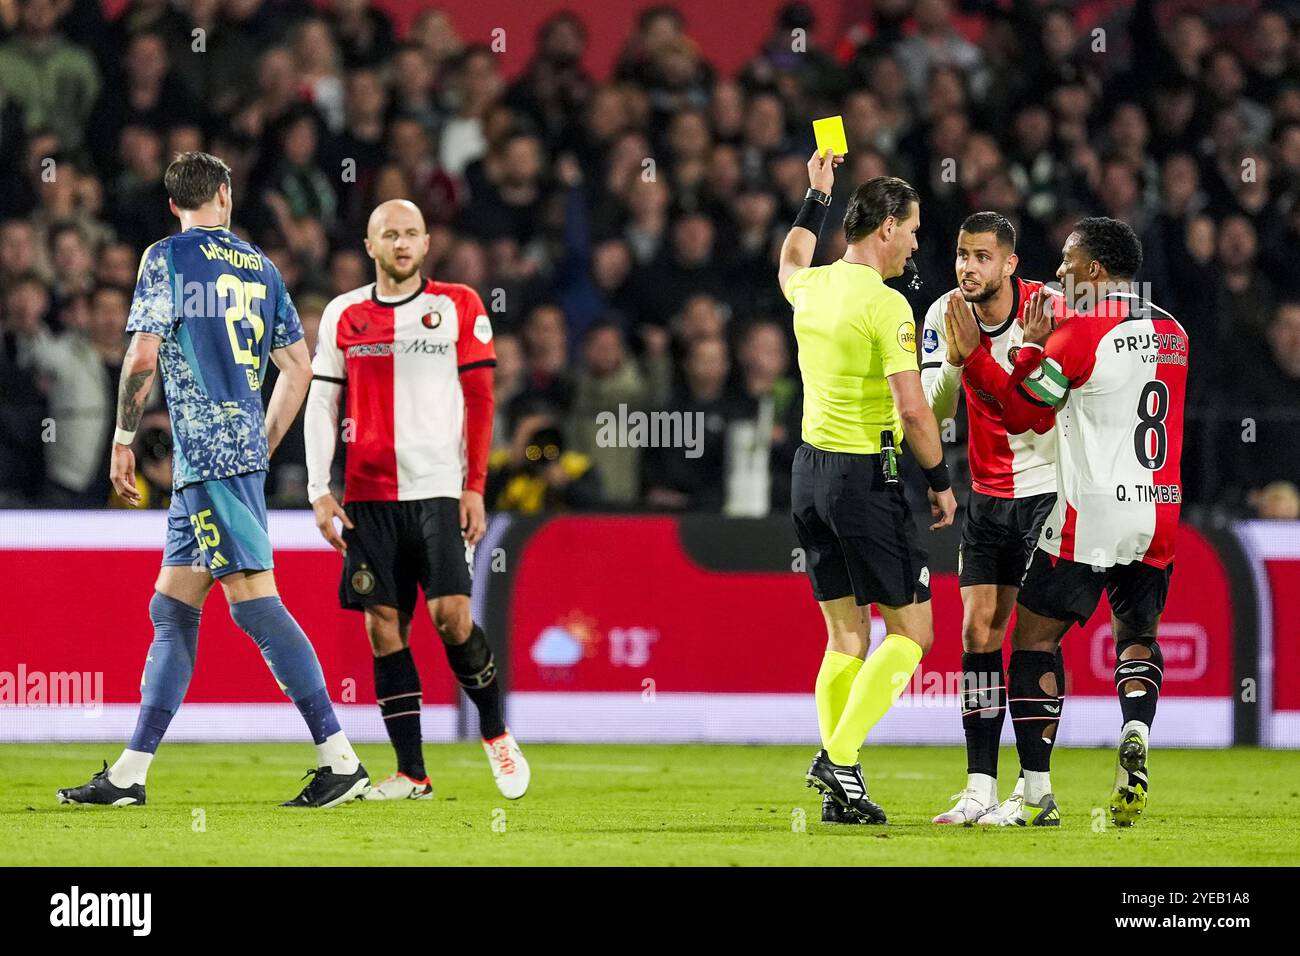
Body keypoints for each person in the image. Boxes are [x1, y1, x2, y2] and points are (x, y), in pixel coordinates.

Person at [57, 151, 368, 808]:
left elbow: (142, 352)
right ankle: (130, 775)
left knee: (255, 602)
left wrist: (121, 438)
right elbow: (300, 370)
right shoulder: (262, 268)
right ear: (225, 195)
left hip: (205, 457)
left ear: (174, 205)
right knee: (171, 610)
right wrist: (260, 440)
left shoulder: (165, 259)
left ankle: (339, 758)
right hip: (226, 457)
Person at [949, 217, 1187, 827]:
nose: (1058, 273)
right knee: (1136, 633)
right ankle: (1135, 729)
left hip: (1091, 511)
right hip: (1157, 510)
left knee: (1031, 639)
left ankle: (1035, 797)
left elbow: (1024, 414)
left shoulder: (1078, 331)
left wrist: (1019, 348)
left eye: (1068, 262)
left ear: (1096, 272)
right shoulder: (1173, 331)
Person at [305, 198, 530, 801]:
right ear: (369, 246)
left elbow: (481, 404)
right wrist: (319, 491)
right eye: (389, 235)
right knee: (384, 628)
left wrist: (475, 486)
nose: (401, 244)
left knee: (451, 617)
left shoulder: (458, 306)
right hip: (368, 498)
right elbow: (322, 404)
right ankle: (412, 773)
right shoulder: (343, 315)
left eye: (411, 234)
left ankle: (495, 732)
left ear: (427, 243)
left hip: (436, 492)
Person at [779, 155, 957, 825]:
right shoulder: (887, 306)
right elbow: (913, 411)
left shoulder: (814, 285)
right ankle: (840, 758)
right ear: (886, 228)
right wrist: (939, 479)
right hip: (863, 478)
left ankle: (841, 789)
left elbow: (789, 258)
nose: (916, 242)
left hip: (807, 476)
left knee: (846, 639)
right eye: (911, 230)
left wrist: (815, 193)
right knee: (914, 632)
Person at [920, 212, 1063, 825]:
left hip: (1048, 494)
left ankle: (1037, 788)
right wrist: (954, 361)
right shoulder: (943, 314)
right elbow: (934, 408)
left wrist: (991, 354)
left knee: (1032, 638)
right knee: (978, 634)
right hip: (985, 496)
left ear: (1010, 264)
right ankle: (980, 786)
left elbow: (1040, 409)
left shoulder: (1050, 309)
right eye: (960, 255)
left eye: (981, 257)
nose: (967, 268)